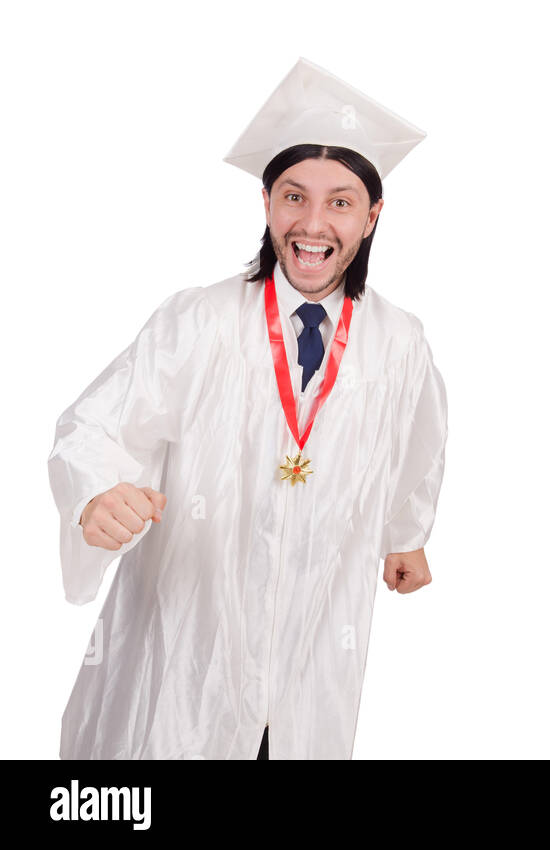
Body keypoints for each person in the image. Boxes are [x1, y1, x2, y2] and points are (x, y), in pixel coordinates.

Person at [48, 58, 448, 759]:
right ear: (266, 203)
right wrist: (94, 496)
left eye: (341, 201)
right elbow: (95, 423)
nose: (313, 223)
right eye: (294, 196)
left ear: (374, 214)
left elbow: (419, 441)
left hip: (314, 639)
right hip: (190, 647)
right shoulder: (199, 321)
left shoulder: (399, 341)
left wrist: (405, 531)